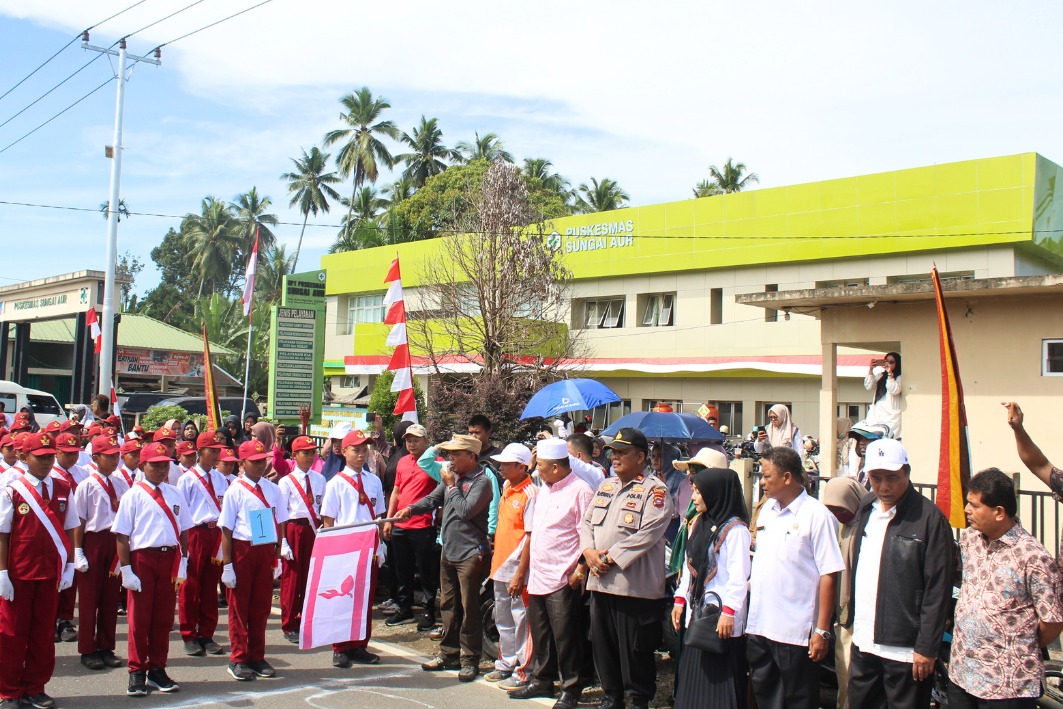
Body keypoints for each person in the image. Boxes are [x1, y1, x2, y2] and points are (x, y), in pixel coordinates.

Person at [848, 438, 954, 709]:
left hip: (907, 649)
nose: (884, 486)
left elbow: (937, 589)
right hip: (864, 641)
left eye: (892, 477)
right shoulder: (867, 507)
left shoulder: (930, 519)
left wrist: (926, 647)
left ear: (906, 472)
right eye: (876, 477)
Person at [949, 468, 1063, 708]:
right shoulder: (970, 539)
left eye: (974, 505)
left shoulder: (1033, 556)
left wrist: (1015, 643)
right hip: (963, 672)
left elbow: (1052, 622)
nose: (967, 511)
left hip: (1009, 683)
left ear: (999, 512)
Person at [580, 427, 673, 709]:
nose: (615, 457)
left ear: (641, 456)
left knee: (634, 649)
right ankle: (612, 696)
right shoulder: (605, 486)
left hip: (633, 587)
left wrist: (608, 558)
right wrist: (588, 552)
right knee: (603, 644)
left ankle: (636, 700)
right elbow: (586, 524)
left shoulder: (654, 490)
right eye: (613, 452)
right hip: (600, 582)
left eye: (622, 452)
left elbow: (647, 533)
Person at [745, 446, 844, 709]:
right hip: (761, 626)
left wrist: (821, 631)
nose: (762, 481)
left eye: (767, 476)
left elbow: (829, 574)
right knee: (765, 696)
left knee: (797, 701)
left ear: (787, 477)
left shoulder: (817, 516)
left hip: (795, 632)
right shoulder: (767, 510)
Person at [400, 434, 492, 682]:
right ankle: (448, 653)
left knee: (468, 607)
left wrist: (451, 485)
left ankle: (470, 658)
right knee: (448, 605)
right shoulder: (454, 478)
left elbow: (465, 511)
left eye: (455, 454)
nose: (450, 459)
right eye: (449, 454)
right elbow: (433, 499)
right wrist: (410, 509)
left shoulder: (482, 482)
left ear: (471, 457)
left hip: (470, 553)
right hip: (449, 551)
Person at [0, 432, 79, 709]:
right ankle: (9, 690)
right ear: (24, 457)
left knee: (43, 634)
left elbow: (70, 527)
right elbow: (3, 534)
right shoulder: (12, 489)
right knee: (11, 634)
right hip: (19, 573)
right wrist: (2, 573)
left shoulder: (62, 488)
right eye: (40, 457)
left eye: (49, 457)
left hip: (49, 574)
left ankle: (35, 687)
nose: (46, 462)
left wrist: (69, 565)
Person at [510, 439, 591, 706]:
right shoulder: (544, 489)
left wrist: (579, 571)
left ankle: (571, 687)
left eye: (541, 466)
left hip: (563, 577)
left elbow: (588, 536)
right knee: (542, 633)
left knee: (566, 636)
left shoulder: (581, 491)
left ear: (556, 467)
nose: (537, 470)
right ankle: (542, 680)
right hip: (538, 575)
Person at [113, 441, 192, 697]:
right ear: (142, 465)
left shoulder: (175, 493)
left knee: (163, 618)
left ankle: (158, 668)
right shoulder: (133, 495)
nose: (161, 470)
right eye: (155, 466)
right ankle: (137, 671)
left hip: (169, 559)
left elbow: (184, 529)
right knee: (139, 619)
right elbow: (122, 536)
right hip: (142, 559)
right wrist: (126, 570)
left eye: (165, 465)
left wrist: (184, 559)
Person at [671, 467, 751, 709]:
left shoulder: (736, 530)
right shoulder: (700, 523)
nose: (693, 497)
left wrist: (729, 612)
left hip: (720, 619)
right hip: (698, 615)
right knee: (694, 678)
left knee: (720, 686)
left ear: (716, 494)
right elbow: (689, 564)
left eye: (698, 492)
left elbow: (739, 577)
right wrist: (679, 600)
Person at [219, 439, 289, 681]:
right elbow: (226, 530)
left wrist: (280, 550)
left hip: (264, 550)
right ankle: (238, 658)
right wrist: (227, 565)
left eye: (263, 460)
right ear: (242, 463)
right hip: (242, 549)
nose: (260, 465)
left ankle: (257, 656)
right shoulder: (235, 490)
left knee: (261, 607)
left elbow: (280, 521)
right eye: (255, 461)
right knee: (239, 607)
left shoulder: (273, 489)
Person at [320, 431, 386, 668]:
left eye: (364, 450)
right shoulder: (336, 483)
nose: (360, 455)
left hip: (368, 544)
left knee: (365, 597)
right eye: (355, 450)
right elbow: (329, 520)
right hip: (344, 547)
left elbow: (378, 515)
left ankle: (359, 644)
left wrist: (381, 543)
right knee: (343, 598)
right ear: (344, 451)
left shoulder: (374, 481)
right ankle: (340, 647)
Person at [482, 443, 538, 691]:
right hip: (500, 566)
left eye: (506, 464)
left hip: (518, 571)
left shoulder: (531, 494)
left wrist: (520, 573)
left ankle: (524, 669)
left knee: (522, 619)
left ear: (521, 466)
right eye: (501, 463)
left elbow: (530, 536)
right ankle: (505, 662)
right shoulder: (506, 487)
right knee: (502, 617)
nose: (501, 467)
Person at [72, 434, 129, 671]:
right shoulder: (86, 484)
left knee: (109, 597)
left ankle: (106, 646)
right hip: (93, 541)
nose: (114, 460)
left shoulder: (120, 483)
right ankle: (88, 648)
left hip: (113, 540)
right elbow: (80, 521)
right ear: (96, 457)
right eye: (109, 456)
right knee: (89, 599)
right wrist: (78, 551)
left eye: (116, 455)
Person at [175, 430, 228, 658]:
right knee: (190, 584)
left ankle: (207, 633)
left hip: (215, 532)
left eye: (218, 451)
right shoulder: (187, 479)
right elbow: (181, 513)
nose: (216, 455)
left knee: (210, 585)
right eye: (212, 451)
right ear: (200, 452)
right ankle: (189, 633)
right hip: (195, 532)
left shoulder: (219, 478)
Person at [382, 424, 438, 630]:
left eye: (416, 439)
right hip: (400, 523)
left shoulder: (435, 463)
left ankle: (428, 610)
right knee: (401, 569)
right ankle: (404, 608)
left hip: (423, 524)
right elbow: (396, 491)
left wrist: (437, 516)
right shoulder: (403, 461)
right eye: (408, 440)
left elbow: (442, 491)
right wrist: (389, 520)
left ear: (426, 441)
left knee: (426, 571)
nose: (411, 443)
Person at [823, 476, 871, 709]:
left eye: (840, 508)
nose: (836, 514)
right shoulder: (839, 527)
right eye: (831, 509)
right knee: (845, 672)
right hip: (843, 615)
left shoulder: (870, 528)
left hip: (865, 613)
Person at [277, 435, 325, 644]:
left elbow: (322, 509)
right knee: (292, 579)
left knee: (311, 577)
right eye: (305, 453)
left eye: (313, 452)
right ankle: (289, 623)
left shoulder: (319, 479)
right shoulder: (286, 481)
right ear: (295, 455)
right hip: (294, 529)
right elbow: (281, 515)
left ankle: (307, 619)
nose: (310, 456)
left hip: (314, 530)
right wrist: (283, 542)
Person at [51, 431, 88, 643]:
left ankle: (65, 619)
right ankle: (51, 619)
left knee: (70, 577)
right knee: (53, 577)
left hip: (74, 530)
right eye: (67, 453)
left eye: (75, 453)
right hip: (53, 531)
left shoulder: (82, 474)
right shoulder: (50, 473)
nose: (72, 457)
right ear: (57, 452)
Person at [863, 352, 902, 438]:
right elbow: (868, 386)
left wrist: (890, 374)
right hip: (877, 413)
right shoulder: (881, 375)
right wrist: (870, 370)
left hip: (891, 416)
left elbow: (894, 390)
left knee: (891, 439)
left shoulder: (899, 377)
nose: (888, 364)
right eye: (886, 361)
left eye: (891, 362)